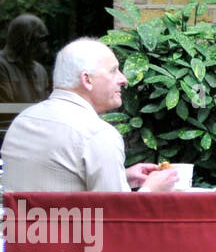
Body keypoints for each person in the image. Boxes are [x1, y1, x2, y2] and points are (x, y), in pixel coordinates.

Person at [1, 38, 176, 193]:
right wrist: (150, 190)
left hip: (22, 230)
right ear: (87, 80)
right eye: (113, 71)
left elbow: (52, 184)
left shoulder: (22, 121)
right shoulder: (97, 134)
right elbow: (116, 218)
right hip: (77, 231)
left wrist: (123, 177)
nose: (123, 79)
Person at [0, 13, 52, 104]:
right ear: (26, 40)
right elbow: (6, 109)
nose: (45, 44)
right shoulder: (2, 66)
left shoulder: (40, 70)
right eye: (42, 39)